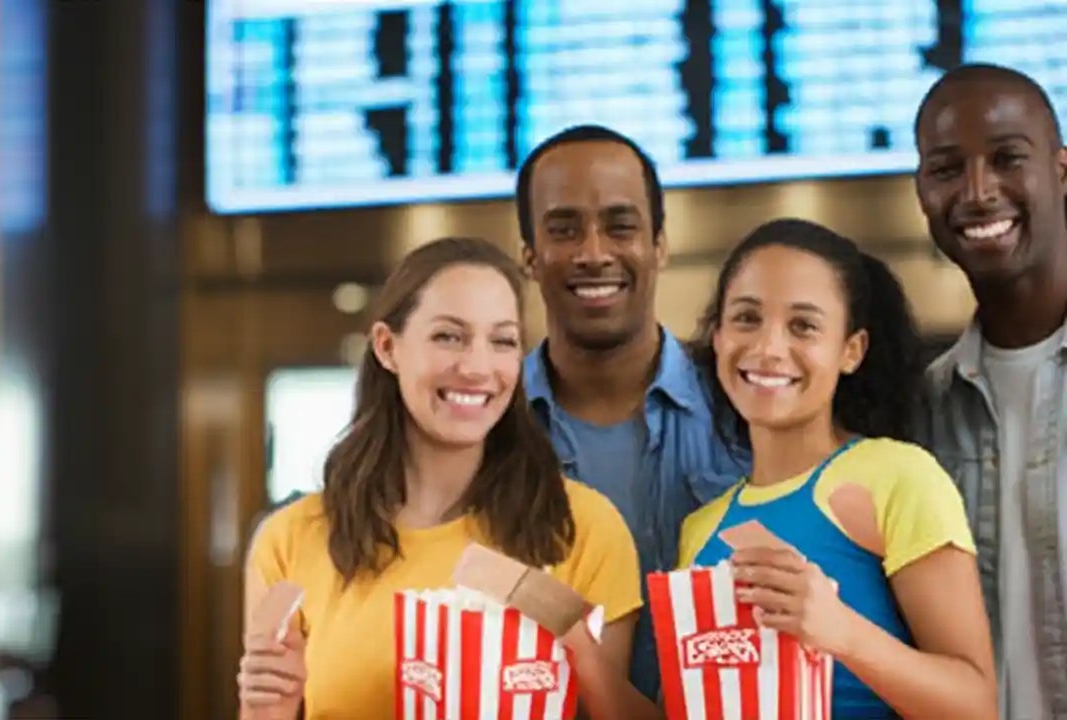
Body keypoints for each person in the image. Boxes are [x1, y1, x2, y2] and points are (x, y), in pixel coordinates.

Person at [237, 237, 659, 719]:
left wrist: (576, 641)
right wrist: (269, 704)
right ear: (387, 347)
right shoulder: (290, 539)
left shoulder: (582, 528)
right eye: (448, 336)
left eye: (501, 341)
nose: (477, 367)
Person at [679, 218, 996, 718]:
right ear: (717, 336)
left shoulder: (898, 477)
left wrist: (841, 630)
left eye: (803, 325)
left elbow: (975, 705)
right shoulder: (698, 531)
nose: (767, 348)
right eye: (746, 318)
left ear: (852, 350)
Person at [517, 124, 748, 698]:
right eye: (564, 230)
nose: (594, 254)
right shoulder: (485, 428)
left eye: (620, 226)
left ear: (660, 246)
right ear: (529, 257)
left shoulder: (746, 408)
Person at [913, 62, 1067, 718]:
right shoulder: (917, 418)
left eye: (1008, 158)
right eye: (947, 169)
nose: (977, 192)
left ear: (1060, 171)